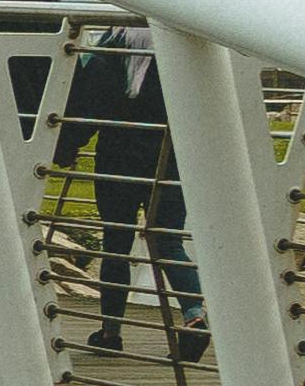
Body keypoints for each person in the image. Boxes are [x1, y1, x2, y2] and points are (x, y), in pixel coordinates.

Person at [60, 25, 204, 350]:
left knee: (116, 245)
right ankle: (194, 314)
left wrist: (66, 148)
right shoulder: (176, 46)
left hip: (117, 159)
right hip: (168, 159)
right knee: (168, 242)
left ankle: (111, 332)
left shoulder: (109, 49)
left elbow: (87, 105)